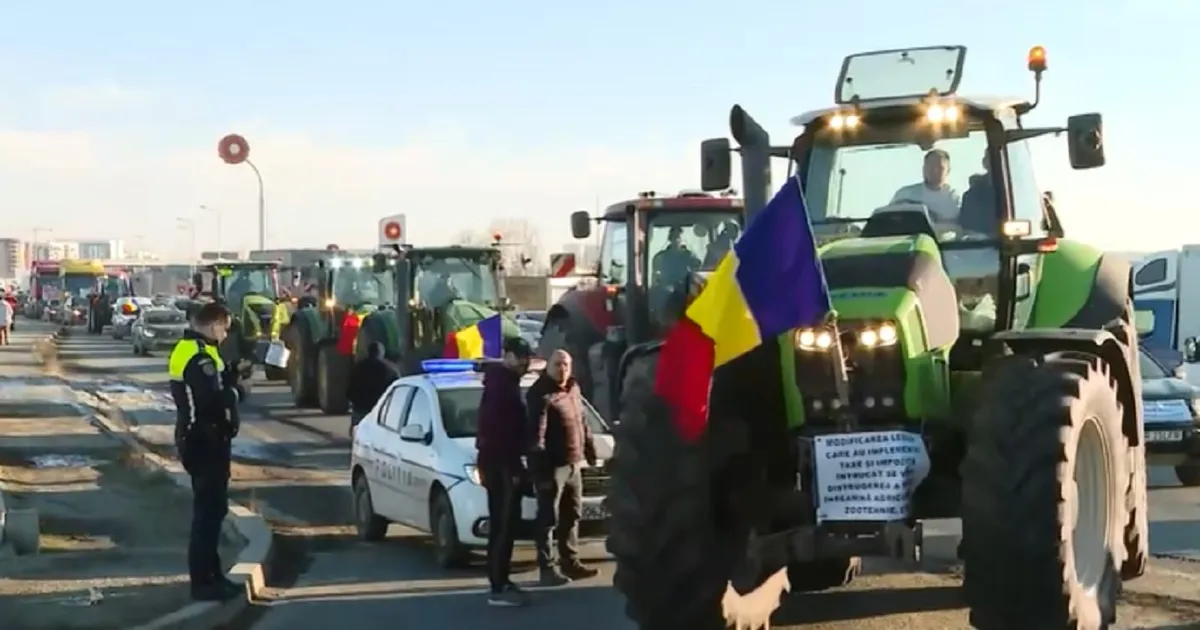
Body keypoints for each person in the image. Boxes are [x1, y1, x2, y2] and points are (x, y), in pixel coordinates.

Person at [168, 302, 243, 602]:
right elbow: (211, 401)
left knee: (214, 510)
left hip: (201, 439)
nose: (224, 335)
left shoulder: (195, 350)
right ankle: (203, 583)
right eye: (223, 328)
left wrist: (231, 377)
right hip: (205, 440)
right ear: (213, 325)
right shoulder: (199, 357)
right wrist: (234, 392)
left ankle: (213, 575)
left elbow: (215, 388)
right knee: (208, 514)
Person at [527, 349, 599, 586]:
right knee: (548, 518)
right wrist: (540, 471)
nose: (562, 369)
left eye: (566, 364)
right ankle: (547, 568)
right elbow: (536, 436)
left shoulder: (573, 390)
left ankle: (571, 562)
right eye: (557, 364)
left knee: (572, 514)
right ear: (548, 367)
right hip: (551, 467)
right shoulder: (540, 394)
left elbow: (583, 421)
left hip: (573, 463)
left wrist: (590, 450)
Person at [476, 337, 535, 607]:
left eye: (527, 357)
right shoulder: (502, 386)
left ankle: (502, 579)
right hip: (500, 464)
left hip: (501, 462)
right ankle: (498, 587)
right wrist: (513, 468)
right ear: (507, 356)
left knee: (507, 524)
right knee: (501, 525)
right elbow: (500, 433)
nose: (524, 362)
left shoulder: (505, 383)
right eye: (519, 356)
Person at [889, 149, 962, 226]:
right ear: (923, 168)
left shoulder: (954, 198)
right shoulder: (905, 194)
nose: (934, 170)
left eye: (940, 167)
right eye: (930, 166)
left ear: (948, 171)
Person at [346, 342, 400, 435]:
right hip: (382, 410)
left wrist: (353, 401)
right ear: (382, 353)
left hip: (361, 408)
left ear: (368, 352)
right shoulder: (392, 370)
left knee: (358, 436)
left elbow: (350, 388)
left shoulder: (358, 367)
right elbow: (397, 391)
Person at [959, 151, 998, 236]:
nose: (997, 162)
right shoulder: (971, 196)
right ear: (984, 162)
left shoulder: (1018, 190)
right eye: (992, 158)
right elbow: (968, 227)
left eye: (999, 158)